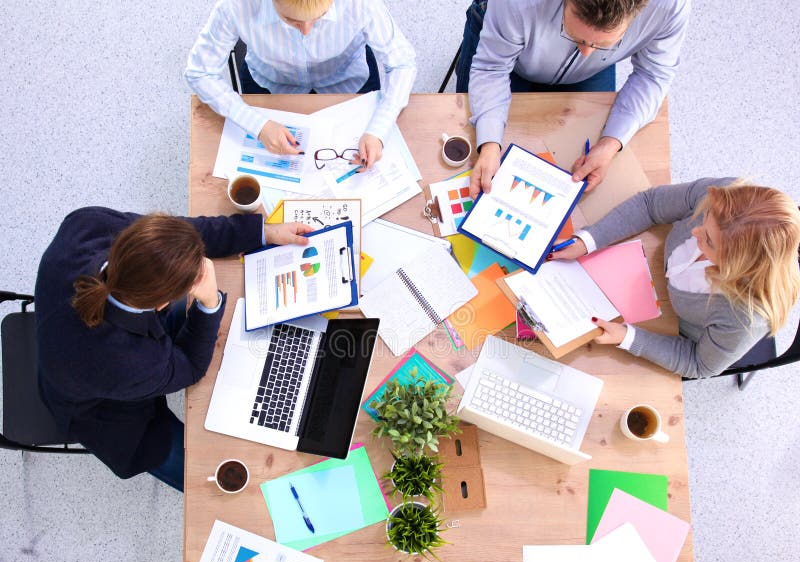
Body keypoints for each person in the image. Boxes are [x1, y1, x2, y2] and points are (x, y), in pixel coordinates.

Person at [34, 206, 312, 491]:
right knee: (212, 476)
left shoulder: (87, 226)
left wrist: (261, 232)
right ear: (161, 305)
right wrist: (209, 302)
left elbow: (179, 237)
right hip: (104, 414)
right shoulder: (130, 361)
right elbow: (190, 366)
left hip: (72, 342)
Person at [549, 178, 800, 378]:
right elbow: (650, 204)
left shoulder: (743, 318)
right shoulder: (726, 199)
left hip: (675, 329)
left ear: (737, 266)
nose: (694, 230)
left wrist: (628, 337)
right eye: (706, 217)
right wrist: (588, 240)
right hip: (646, 281)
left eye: (708, 241)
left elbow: (699, 364)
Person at [464, 0, 690, 198]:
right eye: (575, 37)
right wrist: (490, 145)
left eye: (601, 44)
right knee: (471, 136)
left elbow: (653, 75)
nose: (585, 52)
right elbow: (491, 68)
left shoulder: (670, 7)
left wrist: (611, 143)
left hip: (593, 71)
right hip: (507, 55)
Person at [184, 0, 417, 170]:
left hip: (347, 79)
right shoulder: (234, 6)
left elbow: (403, 63)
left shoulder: (362, 4)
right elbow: (199, 72)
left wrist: (378, 129)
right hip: (271, 83)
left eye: (320, 18)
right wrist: (256, 124)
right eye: (290, 21)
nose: (306, 31)